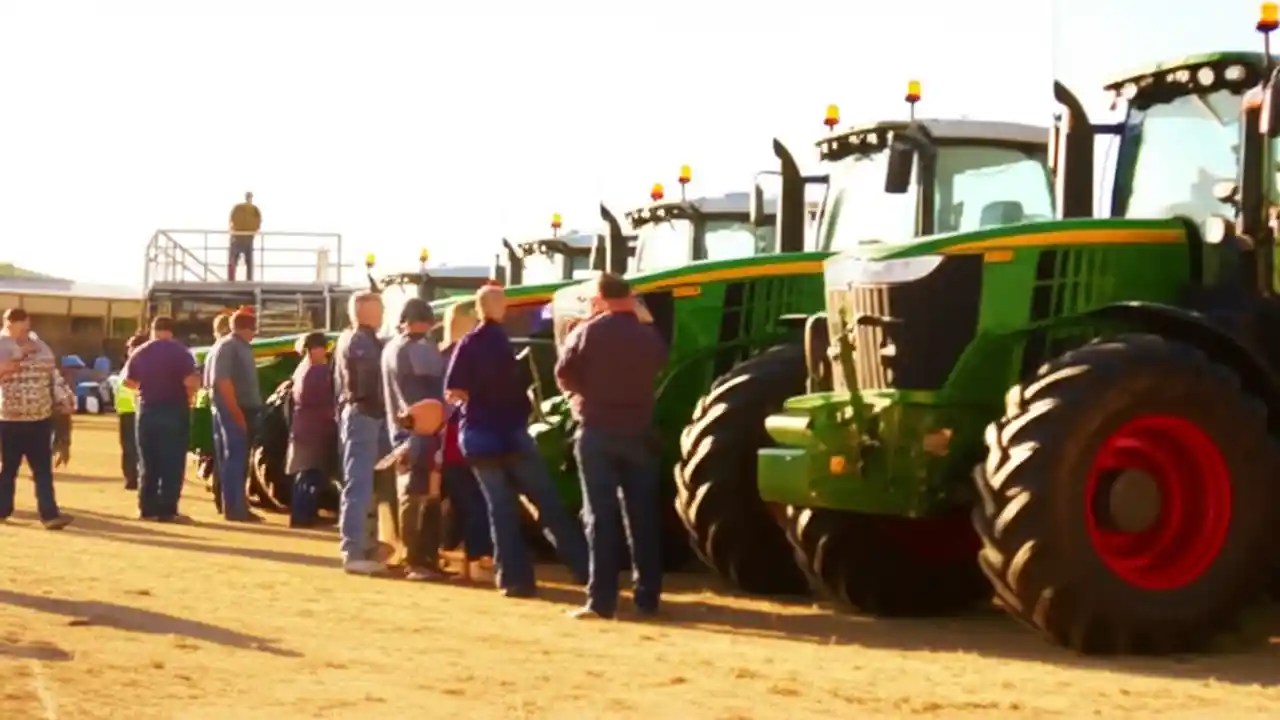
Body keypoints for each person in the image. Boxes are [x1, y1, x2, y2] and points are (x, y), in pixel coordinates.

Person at [444, 284, 588, 598]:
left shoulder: (467, 344)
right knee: (547, 503)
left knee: (500, 509)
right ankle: (586, 569)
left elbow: (453, 390)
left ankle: (514, 580)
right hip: (512, 433)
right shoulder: (505, 345)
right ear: (501, 308)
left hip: (479, 436)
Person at [555, 273, 668, 619]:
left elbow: (564, 373)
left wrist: (583, 396)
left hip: (598, 431)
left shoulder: (588, 332)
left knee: (600, 517)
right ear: (630, 296)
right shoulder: (648, 336)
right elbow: (660, 364)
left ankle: (601, 600)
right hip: (637, 430)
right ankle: (647, 598)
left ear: (599, 296)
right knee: (642, 517)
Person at [380, 298, 449, 581]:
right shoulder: (419, 348)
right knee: (422, 496)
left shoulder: (390, 348)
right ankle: (419, 561)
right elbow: (434, 395)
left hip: (401, 432)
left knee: (411, 494)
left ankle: (416, 558)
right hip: (423, 432)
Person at [0, 308, 75, 529]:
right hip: (10, 417)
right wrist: (20, 353)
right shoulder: (3, 345)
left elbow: (53, 375)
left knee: (42, 469)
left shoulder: (42, 347)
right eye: (15, 323)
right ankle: (3, 509)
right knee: (9, 467)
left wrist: (64, 398)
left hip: (38, 416)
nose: (21, 327)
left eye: (23, 323)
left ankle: (49, 514)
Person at [123, 316, 200, 523]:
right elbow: (190, 381)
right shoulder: (182, 353)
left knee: (148, 462)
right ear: (171, 331)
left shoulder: (140, 352)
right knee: (172, 463)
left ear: (153, 330)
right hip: (174, 409)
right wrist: (191, 393)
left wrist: (146, 387)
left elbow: (129, 382)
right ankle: (167, 509)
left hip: (147, 411)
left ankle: (146, 508)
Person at [334, 290, 389, 575]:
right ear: (368, 312)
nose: (383, 313)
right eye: (379, 308)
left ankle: (364, 546)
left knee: (363, 483)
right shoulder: (362, 344)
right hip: (365, 416)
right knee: (359, 484)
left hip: (357, 414)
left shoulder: (349, 339)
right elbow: (371, 385)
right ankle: (353, 549)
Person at [438, 301, 493, 578]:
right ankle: (477, 560)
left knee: (459, 505)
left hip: (446, 445)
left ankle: (448, 554)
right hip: (461, 442)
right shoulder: (467, 355)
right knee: (475, 503)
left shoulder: (440, 355)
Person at [209, 310, 264, 522]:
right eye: (253, 329)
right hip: (236, 409)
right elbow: (223, 382)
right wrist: (236, 413)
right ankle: (235, 509)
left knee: (231, 459)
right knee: (235, 459)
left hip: (236, 408)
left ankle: (233, 505)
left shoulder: (230, 346)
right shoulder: (230, 347)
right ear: (247, 328)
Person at [286, 331, 335, 528]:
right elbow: (326, 399)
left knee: (304, 472)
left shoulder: (302, 368)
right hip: (315, 427)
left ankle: (301, 513)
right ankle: (303, 515)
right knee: (312, 473)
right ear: (316, 349)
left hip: (303, 426)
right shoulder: (318, 371)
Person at [110, 333, 148, 491]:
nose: (129, 350)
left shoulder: (139, 363)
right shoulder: (130, 363)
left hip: (134, 409)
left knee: (133, 447)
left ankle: (134, 478)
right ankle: (130, 477)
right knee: (127, 447)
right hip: (125, 410)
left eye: (132, 347)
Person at [228, 191, 262, 282]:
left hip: (239, 236)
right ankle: (249, 279)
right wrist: (253, 232)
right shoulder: (254, 210)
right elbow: (258, 223)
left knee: (234, 260)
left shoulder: (239, 208)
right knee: (248, 261)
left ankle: (231, 279)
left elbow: (232, 220)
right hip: (246, 237)